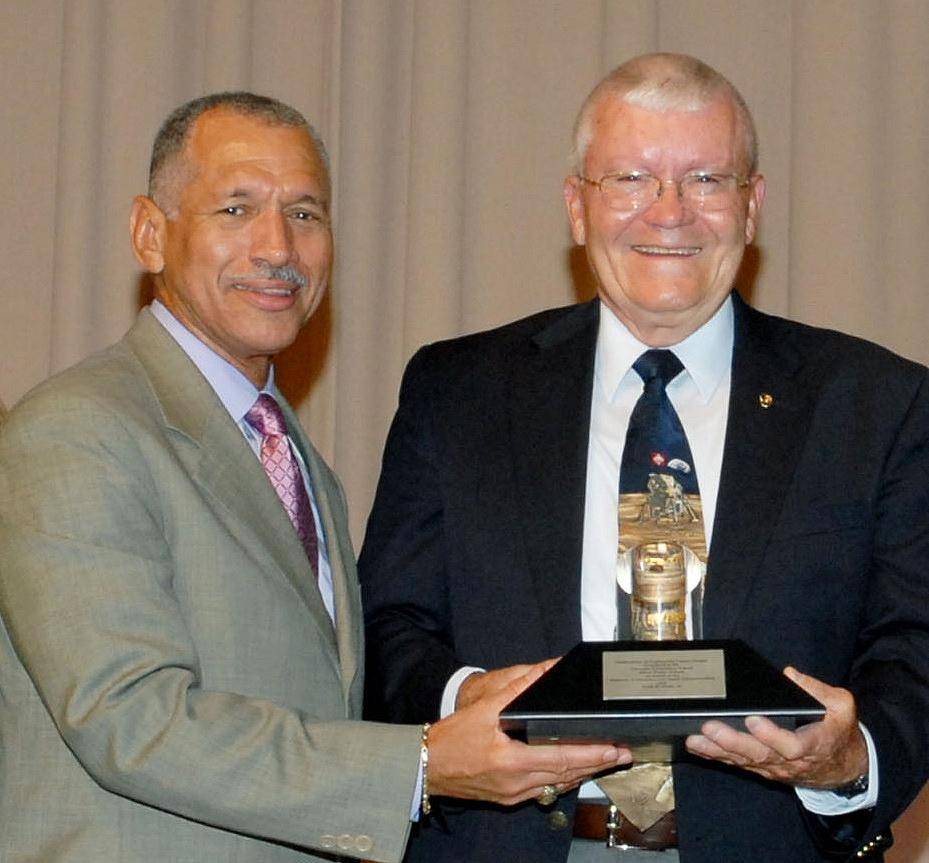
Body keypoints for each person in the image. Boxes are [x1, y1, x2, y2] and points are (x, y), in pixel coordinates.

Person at [0, 92, 626, 863]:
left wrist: (465, 699)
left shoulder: (294, 457)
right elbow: (129, 719)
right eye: (235, 208)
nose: (277, 247)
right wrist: (424, 764)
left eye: (305, 214)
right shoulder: (79, 428)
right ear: (149, 233)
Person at [359, 54, 929, 863]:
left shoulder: (876, 403)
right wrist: (471, 706)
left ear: (751, 205)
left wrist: (850, 758)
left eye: (704, 178)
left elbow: (913, 648)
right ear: (576, 208)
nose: (669, 213)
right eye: (629, 178)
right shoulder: (457, 391)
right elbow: (389, 625)